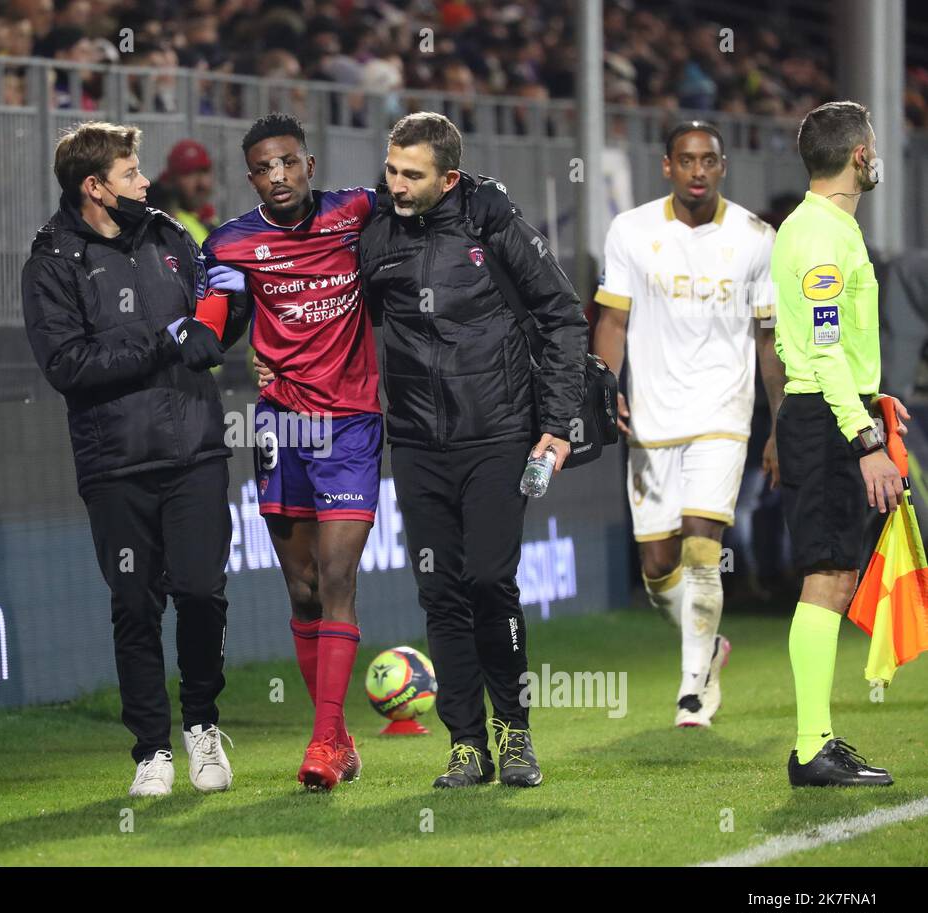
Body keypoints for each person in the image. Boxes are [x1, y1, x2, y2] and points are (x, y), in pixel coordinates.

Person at [356, 112, 587, 788]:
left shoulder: (491, 220)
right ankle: (466, 743)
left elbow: (562, 317)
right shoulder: (375, 233)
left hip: (499, 433)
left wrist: (557, 423)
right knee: (441, 592)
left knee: (489, 580)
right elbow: (339, 321)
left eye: (413, 174)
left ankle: (515, 731)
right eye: (392, 169)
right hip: (419, 442)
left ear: (449, 177)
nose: (396, 185)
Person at [21, 121, 245, 797]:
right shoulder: (51, 262)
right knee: (134, 605)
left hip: (196, 447)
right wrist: (165, 341)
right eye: (130, 173)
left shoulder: (172, 236)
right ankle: (151, 748)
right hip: (115, 460)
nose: (145, 182)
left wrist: (223, 316)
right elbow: (67, 364)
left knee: (203, 592)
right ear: (94, 187)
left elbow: (213, 308)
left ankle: (202, 723)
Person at [203, 113, 381, 790]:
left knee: (337, 577)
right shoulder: (232, 242)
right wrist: (202, 337)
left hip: (352, 423)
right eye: (262, 168)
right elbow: (216, 312)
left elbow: (420, 199)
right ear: (250, 177)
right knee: (303, 589)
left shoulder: (356, 212)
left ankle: (319, 744)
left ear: (309, 164)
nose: (277, 177)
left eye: (288, 163)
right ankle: (337, 736)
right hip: (282, 428)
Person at [593, 120, 784, 728]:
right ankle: (708, 646)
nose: (698, 170)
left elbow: (768, 337)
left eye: (708, 160)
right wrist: (603, 386)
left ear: (722, 166)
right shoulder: (631, 230)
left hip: (723, 416)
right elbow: (613, 322)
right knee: (656, 566)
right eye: (686, 160)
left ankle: (693, 688)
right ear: (666, 166)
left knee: (703, 542)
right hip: (651, 419)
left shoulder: (757, 237)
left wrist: (780, 422)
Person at [770, 100, 907, 787]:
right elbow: (822, 355)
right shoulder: (822, 236)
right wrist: (865, 437)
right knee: (826, 578)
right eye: (874, 146)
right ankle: (810, 747)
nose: (876, 156)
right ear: (860, 156)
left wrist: (874, 399)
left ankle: (816, 739)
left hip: (831, 411)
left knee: (835, 576)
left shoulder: (824, 228)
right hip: (825, 422)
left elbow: (834, 351)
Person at [161, 139, 218, 246]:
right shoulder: (167, 225)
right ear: (172, 179)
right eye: (190, 174)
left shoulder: (208, 218)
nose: (202, 183)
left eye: (205, 171)